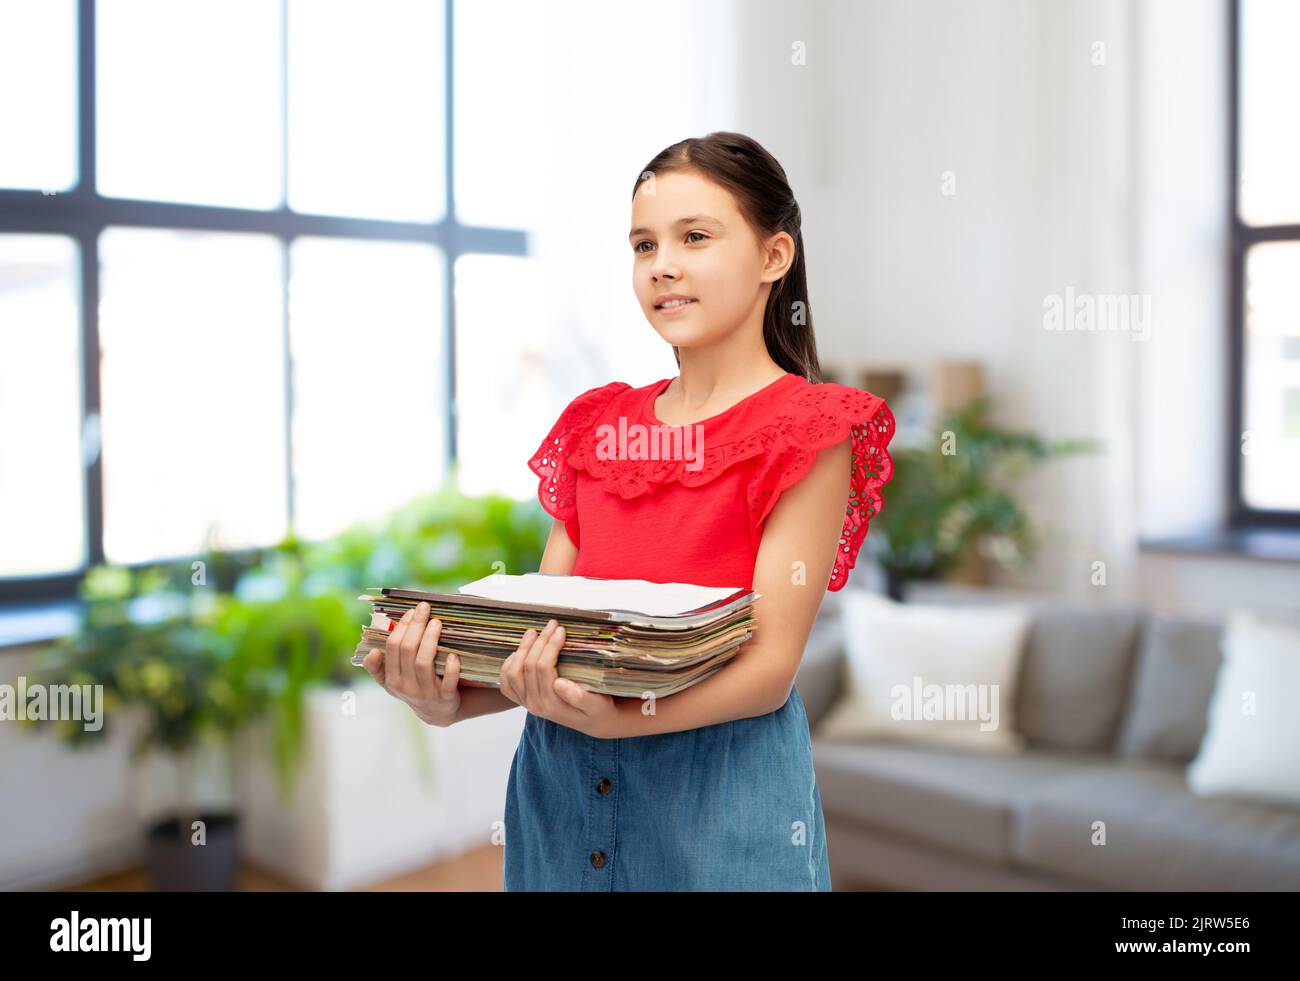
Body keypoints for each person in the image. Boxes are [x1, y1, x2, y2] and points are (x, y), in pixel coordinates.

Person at [363, 131, 895, 891]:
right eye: (644, 245)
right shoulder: (596, 423)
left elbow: (771, 670)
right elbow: (547, 641)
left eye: (695, 237)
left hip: (720, 802)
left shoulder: (813, 425)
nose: (662, 265)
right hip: (562, 796)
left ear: (774, 258)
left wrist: (623, 717)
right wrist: (442, 697)